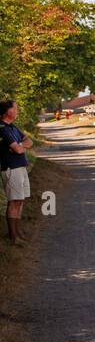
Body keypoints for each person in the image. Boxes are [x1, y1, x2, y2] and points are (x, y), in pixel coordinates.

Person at [1, 99, 34, 245]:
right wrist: (20, 147)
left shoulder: (13, 127)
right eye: (16, 108)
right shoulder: (2, 128)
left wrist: (19, 145)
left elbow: (29, 142)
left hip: (21, 167)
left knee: (20, 200)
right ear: (8, 111)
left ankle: (17, 232)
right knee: (14, 201)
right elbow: (19, 149)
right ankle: (12, 235)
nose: (18, 111)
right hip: (11, 168)